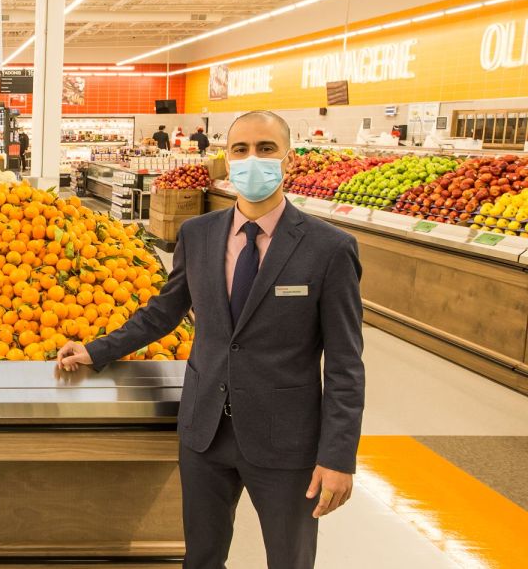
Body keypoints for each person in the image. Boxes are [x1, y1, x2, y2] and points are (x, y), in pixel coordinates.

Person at [58, 111, 364, 569]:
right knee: (201, 557)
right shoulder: (198, 235)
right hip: (205, 431)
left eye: (266, 149)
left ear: (290, 161)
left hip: (285, 440)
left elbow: (345, 364)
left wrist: (339, 456)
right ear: (226, 160)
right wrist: (96, 349)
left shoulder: (329, 248)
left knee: (290, 558)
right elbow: (164, 311)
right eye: (240, 150)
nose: (252, 160)